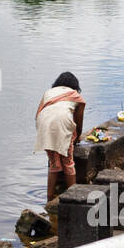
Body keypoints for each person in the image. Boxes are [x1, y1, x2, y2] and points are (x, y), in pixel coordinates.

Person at [35, 71, 86, 200]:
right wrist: (76, 138)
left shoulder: (48, 93)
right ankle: (72, 198)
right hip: (62, 124)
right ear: (75, 86)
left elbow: (38, 114)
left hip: (44, 125)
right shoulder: (75, 95)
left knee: (54, 164)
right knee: (68, 162)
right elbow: (78, 123)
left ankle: (49, 199)